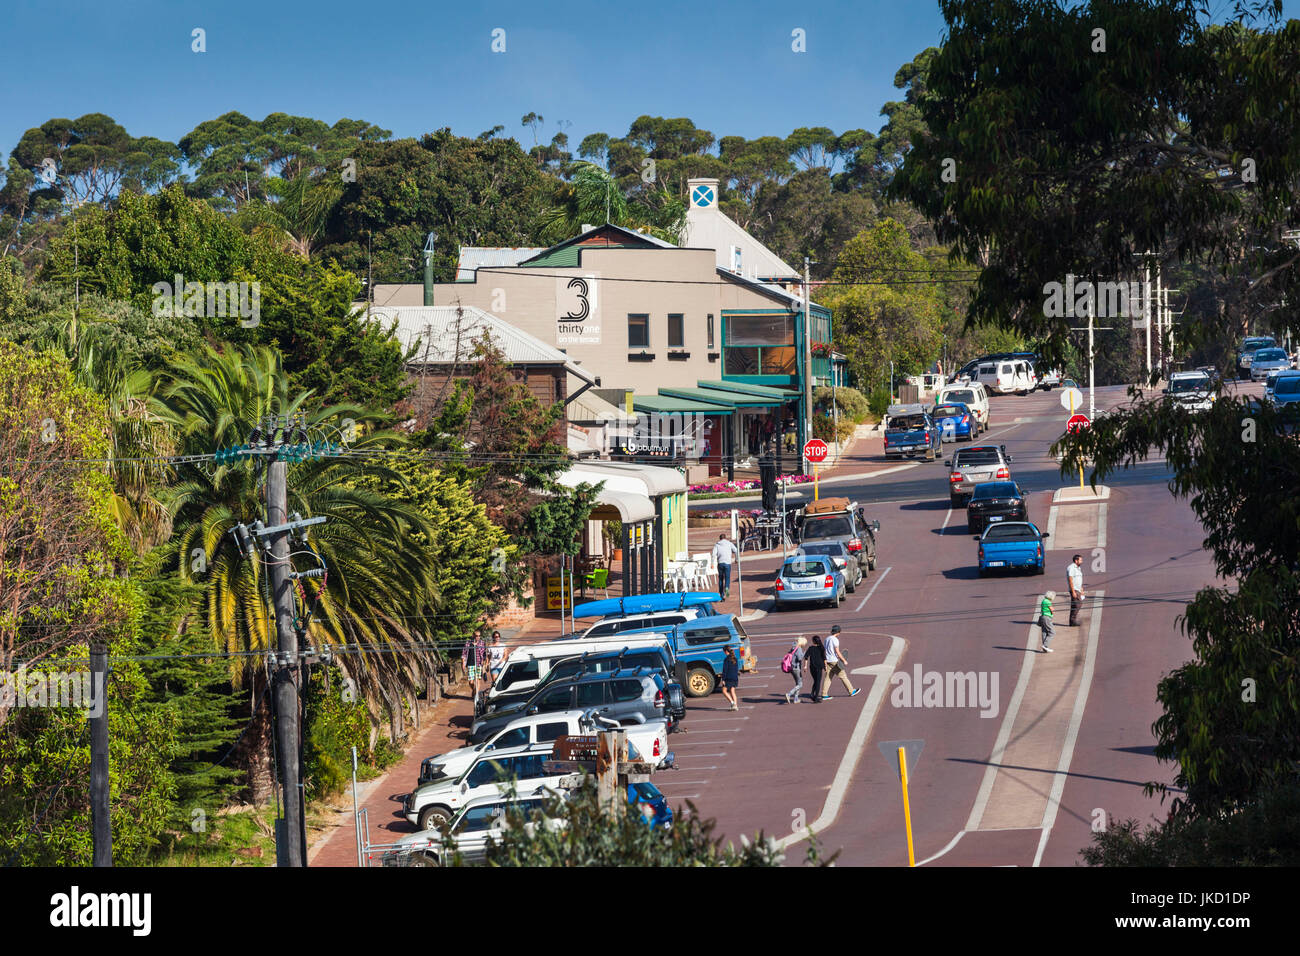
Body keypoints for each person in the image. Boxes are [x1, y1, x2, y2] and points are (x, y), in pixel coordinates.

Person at [821, 625, 861, 698]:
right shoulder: (835, 640)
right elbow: (837, 652)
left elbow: (824, 650)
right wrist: (844, 660)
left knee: (828, 678)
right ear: (838, 632)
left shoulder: (827, 639)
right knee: (843, 676)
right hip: (834, 661)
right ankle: (851, 691)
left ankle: (824, 694)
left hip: (827, 660)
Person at [712, 532, 737, 599]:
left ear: (720, 539)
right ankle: (726, 588)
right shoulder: (729, 543)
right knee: (727, 578)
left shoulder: (717, 545)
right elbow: (736, 550)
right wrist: (736, 559)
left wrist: (712, 563)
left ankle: (721, 594)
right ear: (725, 538)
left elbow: (713, 555)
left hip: (720, 563)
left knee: (720, 579)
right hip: (727, 563)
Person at [784, 636, 807, 704]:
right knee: (800, 684)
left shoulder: (793, 647)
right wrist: (805, 653)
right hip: (796, 667)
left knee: (797, 683)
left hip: (791, 667)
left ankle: (796, 699)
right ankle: (789, 694)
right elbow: (800, 658)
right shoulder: (799, 649)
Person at [806, 635, 827, 703]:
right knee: (818, 682)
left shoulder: (811, 648)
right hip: (819, 667)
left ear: (813, 641)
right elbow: (824, 658)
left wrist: (805, 666)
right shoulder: (821, 648)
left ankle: (812, 693)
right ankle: (816, 697)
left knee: (815, 681)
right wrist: (825, 666)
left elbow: (806, 657)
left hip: (812, 667)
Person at [720, 646, 740, 711]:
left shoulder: (726, 659)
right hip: (735, 677)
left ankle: (732, 703)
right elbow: (736, 669)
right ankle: (735, 706)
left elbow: (725, 670)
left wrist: (723, 679)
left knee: (724, 691)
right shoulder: (735, 658)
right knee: (732, 691)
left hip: (728, 678)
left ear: (726, 651)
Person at [1067, 554, 1085, 626]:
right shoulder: (1071, 568)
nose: (1082, 561)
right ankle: (1073, 620)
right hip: (1074, 590)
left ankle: (1072, 622)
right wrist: (1073, 591)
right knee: (1078, 604)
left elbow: (1078, 579)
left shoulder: (1078, 568)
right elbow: (1070, 580)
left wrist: (1082, 589)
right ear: (1076, 560)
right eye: (1080, 560)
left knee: (1074, 606)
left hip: (1078, 589)